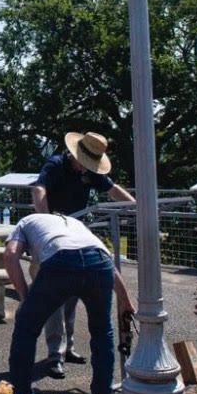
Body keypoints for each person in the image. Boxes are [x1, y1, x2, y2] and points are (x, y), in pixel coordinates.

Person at [4, 212, 135, 394]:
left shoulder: (24, 222)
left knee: (26, 330)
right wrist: (125, 300)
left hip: (60, 261)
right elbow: (107, 260)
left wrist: (24, 297)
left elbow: (11, 255)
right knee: (102, 332)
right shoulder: (74, 223)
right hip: (100, 263)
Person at [31, 132, 134, 380]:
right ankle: (55, 354)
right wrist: (47, 222)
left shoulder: (90, 173)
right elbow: (38, 190)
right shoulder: (56, 164)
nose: (85, 168)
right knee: (55, 296)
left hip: (77, 233)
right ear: (75, 154)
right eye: (83, 163)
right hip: (56, 236)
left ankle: (69, 349)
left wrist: (135, 206)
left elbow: (112, 189)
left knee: (72, 295)